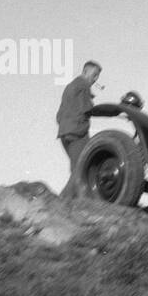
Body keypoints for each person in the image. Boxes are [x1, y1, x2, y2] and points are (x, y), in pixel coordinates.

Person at [56, 60, 102, 199]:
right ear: (85, 71)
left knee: (77, 167)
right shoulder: (83, 85)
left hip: (65, 132)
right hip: (77, 133)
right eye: (94, 75)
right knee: (83, 167)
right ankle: (64, 199)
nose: (95, 80)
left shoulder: (70, 86)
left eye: (97, 77)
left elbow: (59, 115)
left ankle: (73, 200)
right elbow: (86, 108)